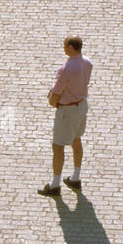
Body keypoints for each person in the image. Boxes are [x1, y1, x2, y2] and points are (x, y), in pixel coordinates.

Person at [37, 35, 93, 198]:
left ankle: (55, 184)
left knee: (58, 145)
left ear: (70, 48)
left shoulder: (67, 69)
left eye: (64, 45)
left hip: (67, 110)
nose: (63, 48)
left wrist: (53, 102)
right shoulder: (87, 63)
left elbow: (56, 91)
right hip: (81, 105)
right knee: (76, 139)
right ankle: (75, 177)